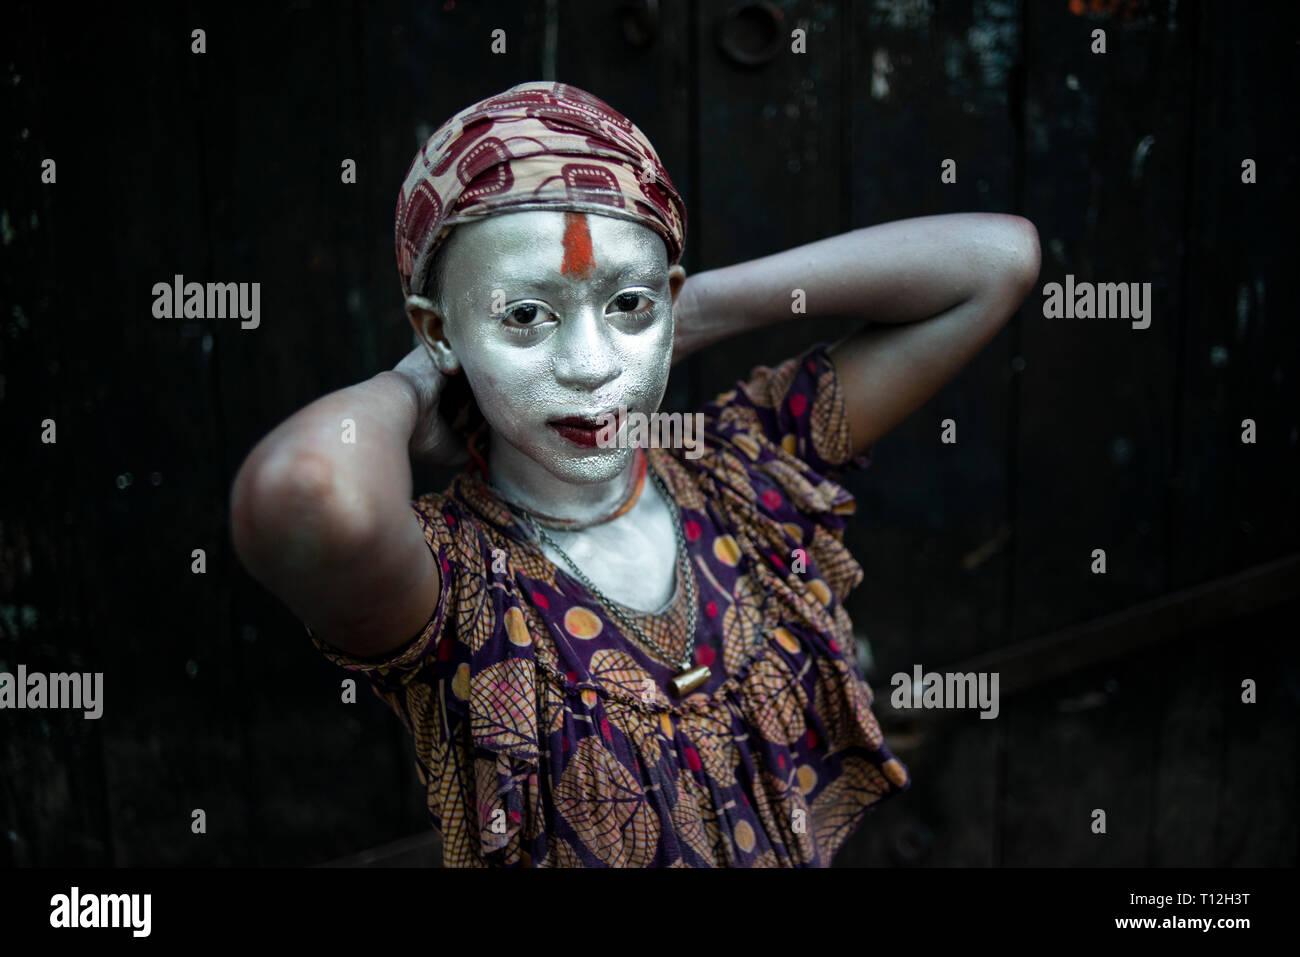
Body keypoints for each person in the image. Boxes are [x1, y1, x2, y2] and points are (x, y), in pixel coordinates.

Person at [230, 81, 1040, 867]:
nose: (589, 366)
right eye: (523, 315)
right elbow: (304, 491)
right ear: (438, 331)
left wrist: (694, 308)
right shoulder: (462, 587)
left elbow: (997, 261)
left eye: (629, 307)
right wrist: (412, 385)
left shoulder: (741, 473)